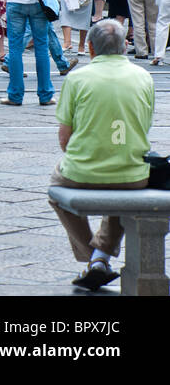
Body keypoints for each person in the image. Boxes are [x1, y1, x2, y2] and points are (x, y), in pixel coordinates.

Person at [47, 18, 154, 291]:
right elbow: (143, 126)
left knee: (57, 187)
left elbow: (64, 139)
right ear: (124, 47)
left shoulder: (77, 78)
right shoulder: (144, 76)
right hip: (133, 174)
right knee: (122, 185)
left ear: (91, 49)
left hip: (81, 172)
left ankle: (92, 255)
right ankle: (101, 255)